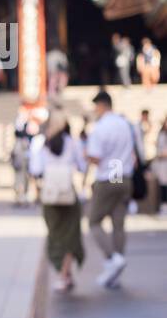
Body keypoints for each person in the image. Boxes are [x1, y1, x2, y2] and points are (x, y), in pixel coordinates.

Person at [83, 90, 141, 288]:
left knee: (94, 221)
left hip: (108, 176)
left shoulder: (101, 128)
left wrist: (85, 155)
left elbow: (96, 156)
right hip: (122, 174)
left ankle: (112, 258)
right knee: (118, 223)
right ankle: (116, 265)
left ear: (100, 105)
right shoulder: (125, 124)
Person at [29, 109, 86, 292]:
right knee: (70, 234)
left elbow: (35, 169)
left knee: (55, 235)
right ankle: (65, 273)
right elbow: (82, 167)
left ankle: (63, 273)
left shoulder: (40, 144)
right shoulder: (73, 143)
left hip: (50, 196)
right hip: (68, 194)